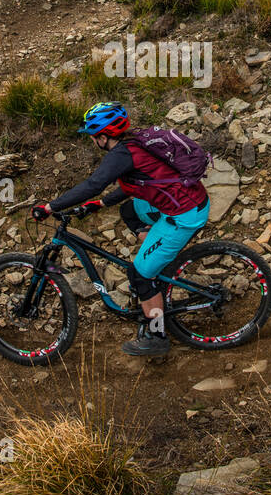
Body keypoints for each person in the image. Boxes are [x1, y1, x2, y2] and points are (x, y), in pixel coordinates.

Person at [32, 101, 209, 357]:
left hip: (184, 215)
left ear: (103, 137)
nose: (92, 140)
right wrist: (99, 205)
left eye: (93, 136)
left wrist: (49, 207)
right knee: (129, 210)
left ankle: (157, 336)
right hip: (182, 201)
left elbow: (93, 184)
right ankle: (155, 260)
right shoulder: (132, 142)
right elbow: (134, 185)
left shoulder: (121, 154)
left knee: (139, 276)